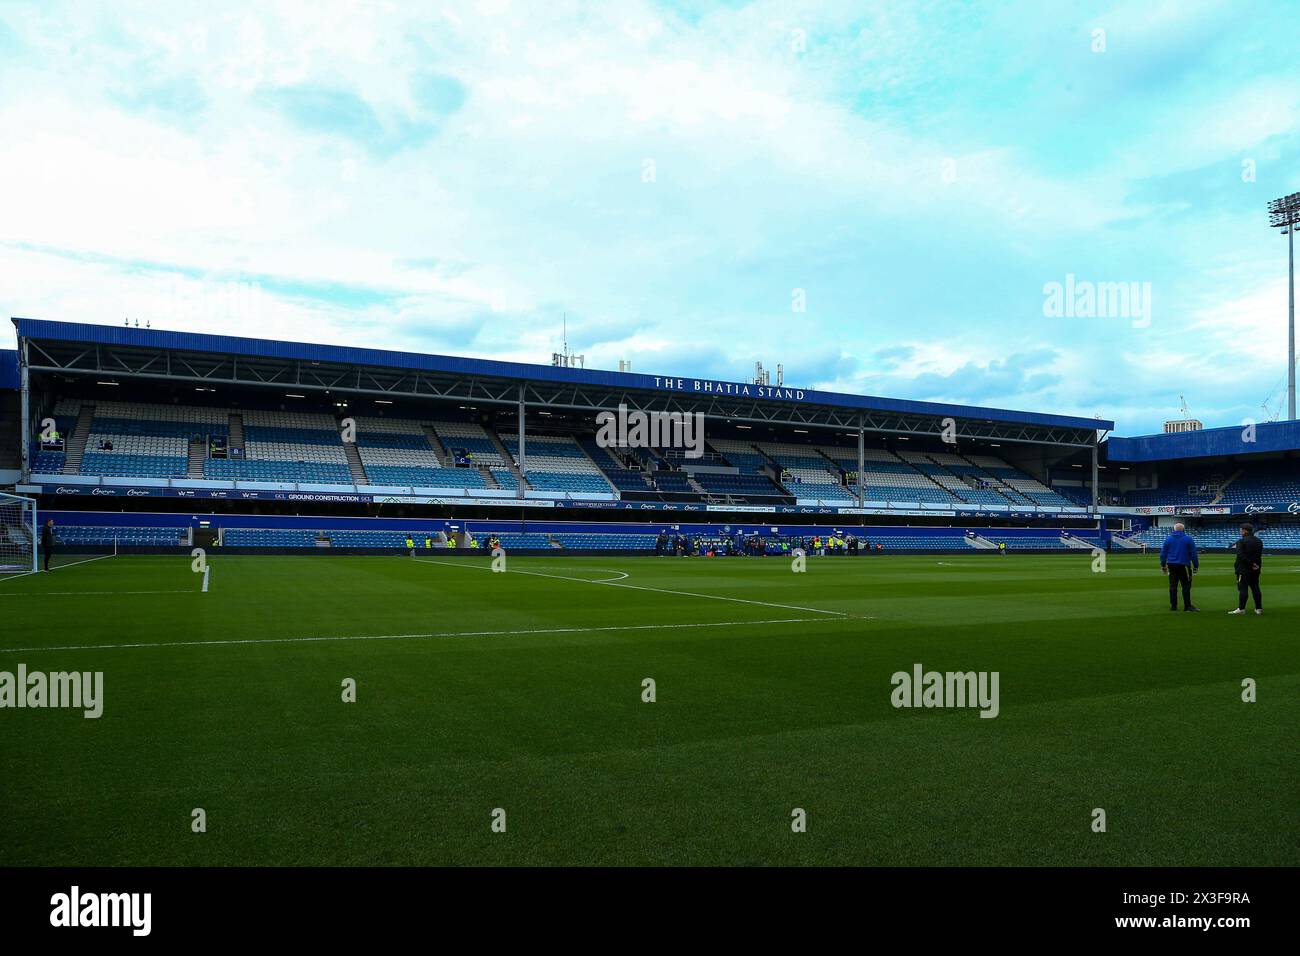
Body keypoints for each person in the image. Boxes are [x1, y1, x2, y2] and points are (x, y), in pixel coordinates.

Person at [1159, 522, 1200, 612]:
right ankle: (1187, 606)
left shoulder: (1168, 539)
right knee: (1186, 586)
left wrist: (1163, 565)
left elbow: (1163, 554)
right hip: (1184, 565)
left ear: (1174, 529)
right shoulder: (1188, 539)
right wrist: (1196, 566)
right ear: (1183, 529)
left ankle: (1173, 606)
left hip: (1171, 565)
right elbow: (1193, 554)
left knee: (1173, 586)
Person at [1229, 523, 1263, 615]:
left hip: (1243, 569)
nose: (1240, 532)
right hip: (1255, 568)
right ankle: (1259, 608)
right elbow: (1258, 555)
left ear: (1244, 530)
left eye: (1240, 530)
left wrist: (1251, 563)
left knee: (1243, 588)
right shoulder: (1259, 541)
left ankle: (1241, 608)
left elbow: (1241, 555)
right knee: (1255, 587)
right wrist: (1254, 564)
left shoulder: (1241, 541)